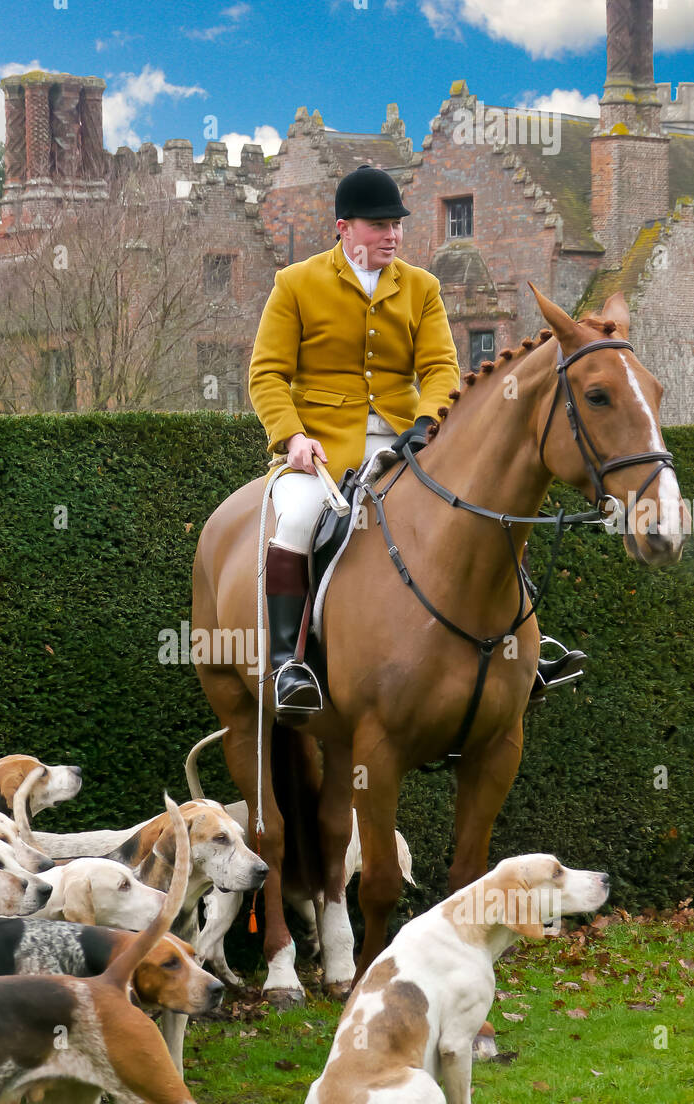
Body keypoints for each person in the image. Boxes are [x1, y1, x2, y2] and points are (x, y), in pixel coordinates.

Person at [249, 164, 584, 723]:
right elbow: (266, 374)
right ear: (343, 228)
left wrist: (428, 423)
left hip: (408, 442)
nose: (392, 235)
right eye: (378, 225)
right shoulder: (296, 284)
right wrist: (292, 437)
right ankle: (289, 665)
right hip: (324, 450)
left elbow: (439, 367)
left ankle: (527, 648)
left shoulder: (422, 286)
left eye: (396, 225)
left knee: (485, 508)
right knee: (299, 519)